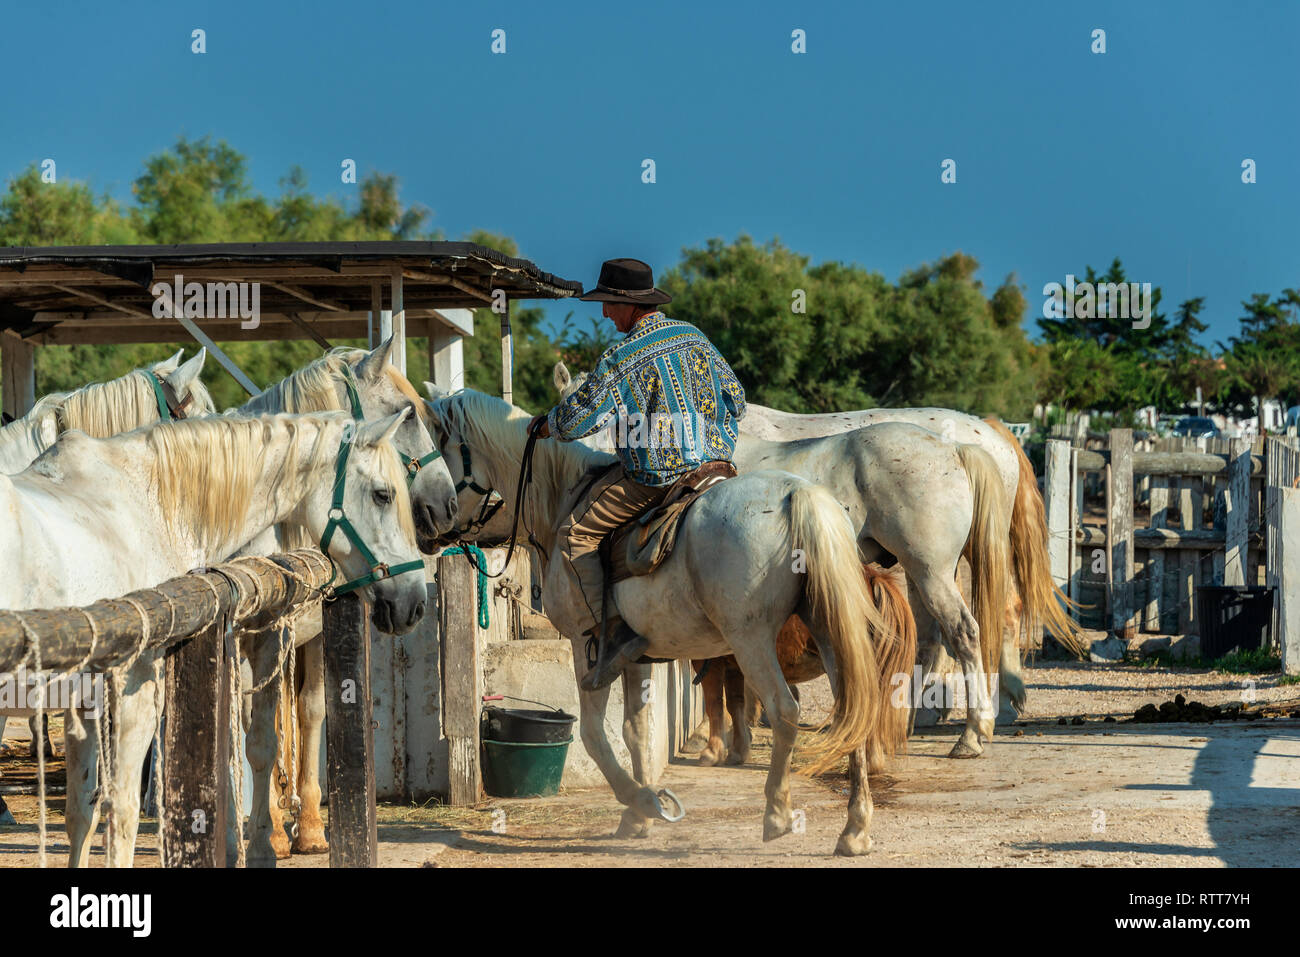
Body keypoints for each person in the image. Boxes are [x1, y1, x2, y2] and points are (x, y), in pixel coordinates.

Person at [530, 258, 746, 690]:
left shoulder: (621, 357)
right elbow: (737, 399)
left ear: (628, 305)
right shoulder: (694, 336)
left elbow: (576, 423)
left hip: (658, 479)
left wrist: (545, 425)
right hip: (717, 467)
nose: (606, 314)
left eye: (608, 304)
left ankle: (610, 635)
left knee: (574, 534)